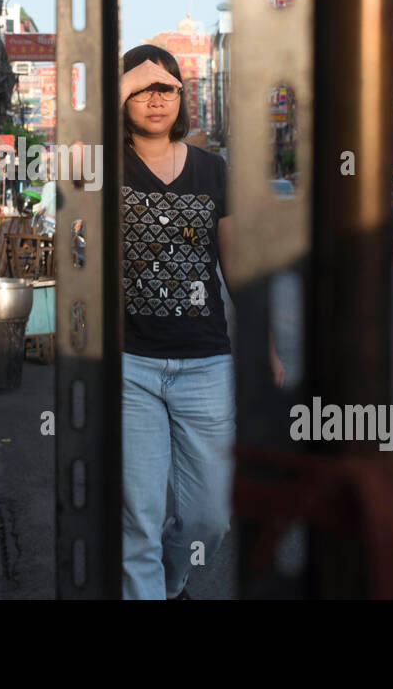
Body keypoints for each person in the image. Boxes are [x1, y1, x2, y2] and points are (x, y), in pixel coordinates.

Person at [119, 44, 284, 601]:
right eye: (140, 89)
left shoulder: (214, 171)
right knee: (136, 518)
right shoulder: (102, 168)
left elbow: (236, 266)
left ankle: (169, 585)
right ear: (122, 99)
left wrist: (263, 345)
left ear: (183, 97)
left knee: (209, 519)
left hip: (206, 365)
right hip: (129, 365)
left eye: (166, 87)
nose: (154, 99)